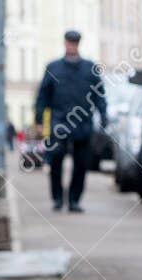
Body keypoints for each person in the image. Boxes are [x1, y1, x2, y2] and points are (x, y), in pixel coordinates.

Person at [33, 30, 107, 212]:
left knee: (81, 164)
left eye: (74, 43)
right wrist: (39, 120)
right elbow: (43, 95)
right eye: (69, 43)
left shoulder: (90, 68)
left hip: (83, 123)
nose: (72, 46)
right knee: (56, 160)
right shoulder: (53, 68)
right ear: (65, 43)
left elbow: (99, 95)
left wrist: (104, 116)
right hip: (59, 122)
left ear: (78, 44)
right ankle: (58, 198)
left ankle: (74, 200)